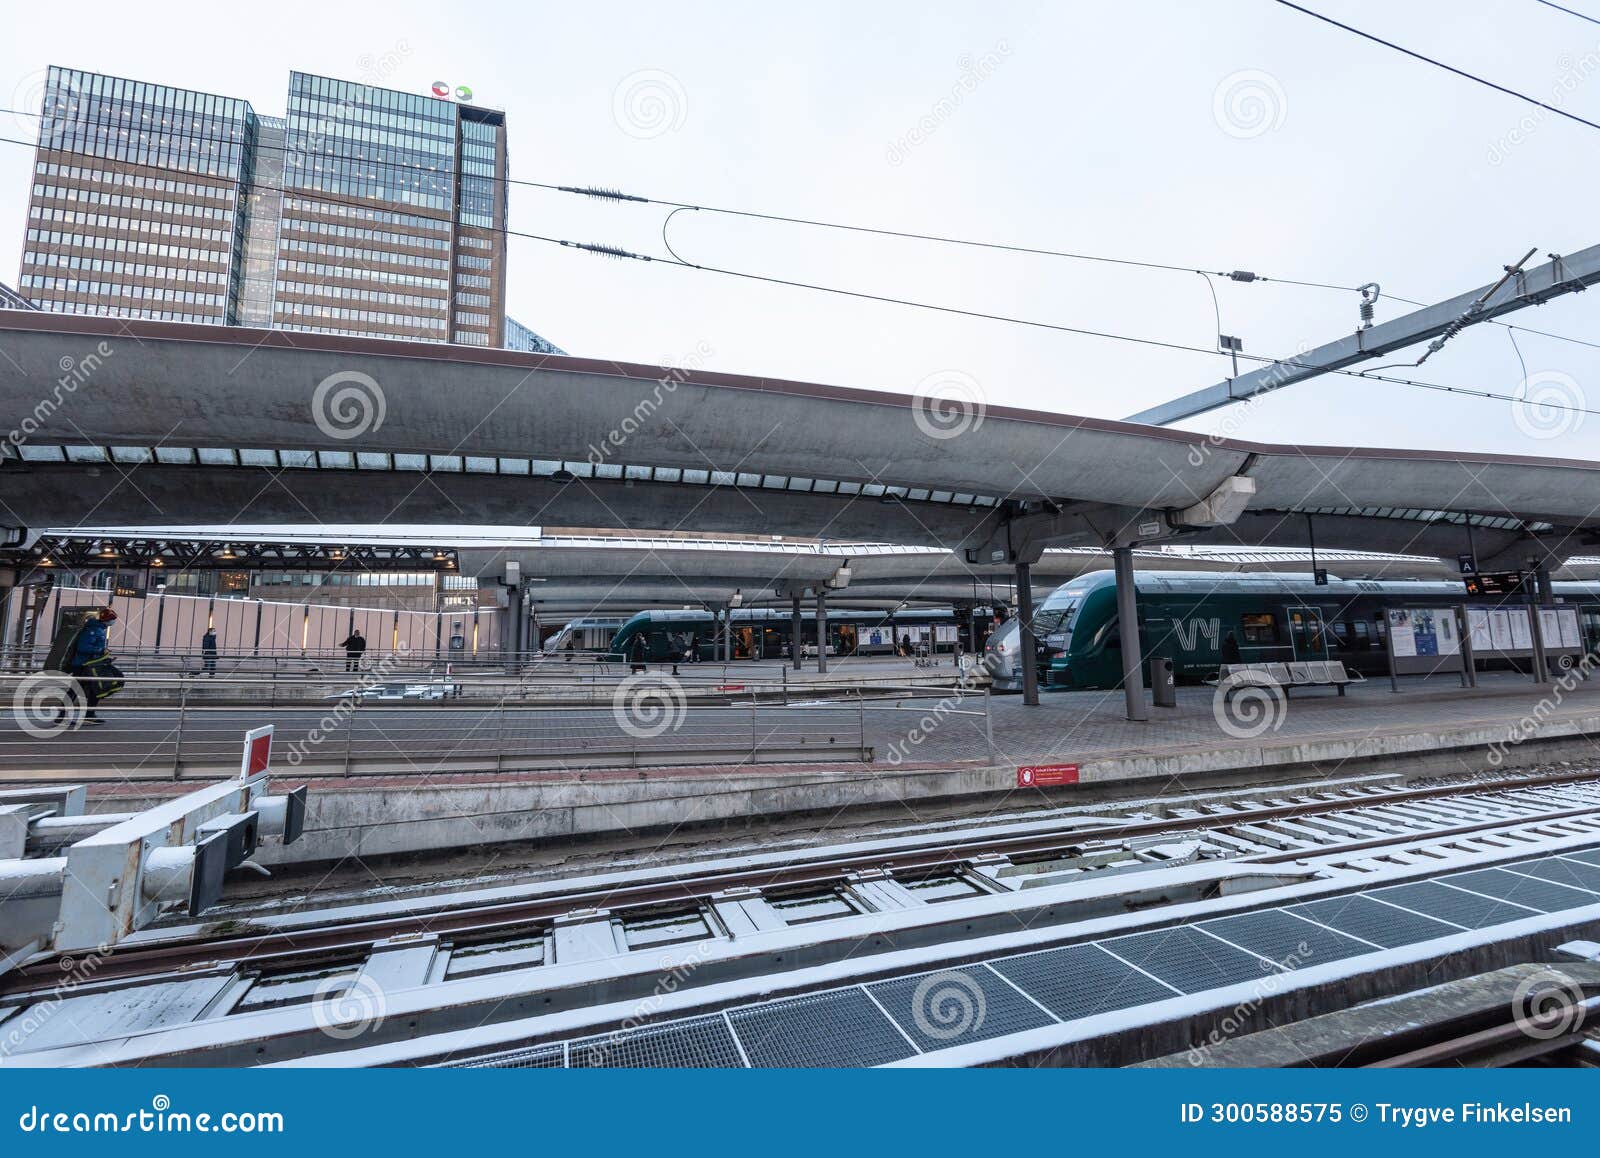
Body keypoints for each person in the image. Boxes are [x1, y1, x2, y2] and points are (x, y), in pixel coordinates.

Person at [65, 608, 121, 726]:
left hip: (89, 665)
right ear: (107, 619)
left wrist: (103, 652)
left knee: (92, 689)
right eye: (112, 620)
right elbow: (83, 648)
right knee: (83, 689)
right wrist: (101, 650)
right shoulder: (93, 630)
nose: (113, 622)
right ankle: (67, 716)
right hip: (83, 665)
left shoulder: (98, 629)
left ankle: (87, 715)